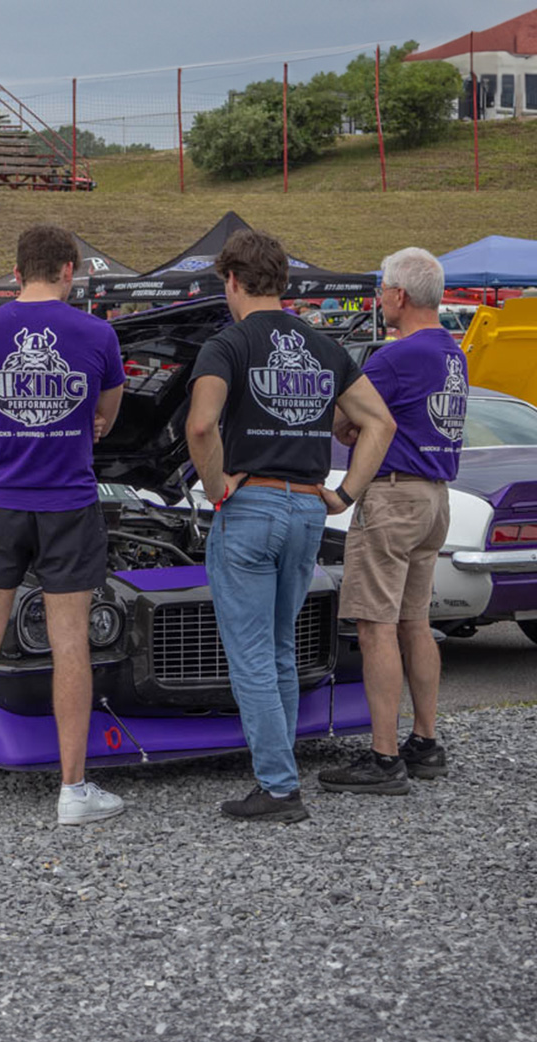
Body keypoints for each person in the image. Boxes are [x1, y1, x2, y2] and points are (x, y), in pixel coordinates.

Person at [185, 229, 395, 823]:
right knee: (278, 649)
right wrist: (345, 494)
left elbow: (200, 425)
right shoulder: (324, 346)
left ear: (231, 280)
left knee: (251, 655)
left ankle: (278, 788)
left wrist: (215, 487)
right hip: (307, 507)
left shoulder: (227, 344)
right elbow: (380, 423)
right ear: (283, 282)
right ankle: (280, 775)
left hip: (251, 506)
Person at [0, 224, 127, 827]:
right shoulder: (98, 334)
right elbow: (105, 419)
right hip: (68, 503)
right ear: (70, 270)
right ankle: (73, 791)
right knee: (70, 644)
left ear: (16, 273)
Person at [319, 248, 468, 796]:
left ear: (399, 295)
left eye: (382, 289)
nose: (380, 298)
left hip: (393, 497)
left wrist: (352, 433)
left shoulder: (395, 356)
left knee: (375, 624)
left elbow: (342, 418)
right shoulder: (452, 351)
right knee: (415, 622)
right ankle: (425, 741)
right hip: (435, 497)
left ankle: (383, 757)